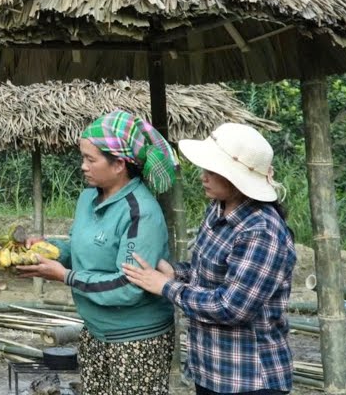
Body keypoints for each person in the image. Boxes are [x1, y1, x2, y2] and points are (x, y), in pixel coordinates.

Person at [122, 123, 297, 395]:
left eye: (213, 171)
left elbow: (232, 307)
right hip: (211, 368)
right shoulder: (217, 209)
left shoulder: (261, 231)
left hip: (249, 378)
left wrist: (166, 287)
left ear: (237, 179)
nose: (203, 177)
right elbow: (208, 274)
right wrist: (176, 273)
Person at [17, 110, 178, 395]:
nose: (83, 166)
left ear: (119, 164)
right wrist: (50, 250)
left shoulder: (141, 212)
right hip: (95, 332)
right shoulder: (88, 198)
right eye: (83, 158)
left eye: (91, 159)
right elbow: (81, 247)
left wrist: (66, 277)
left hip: (136, 341)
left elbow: (129, 287)